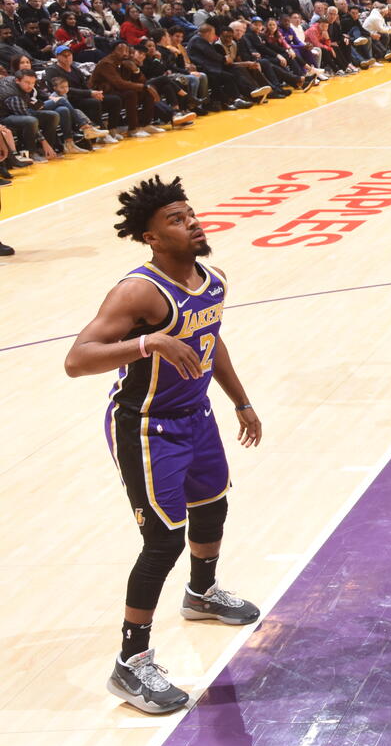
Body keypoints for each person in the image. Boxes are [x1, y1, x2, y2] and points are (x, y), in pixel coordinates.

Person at [63, 176, 263, 714]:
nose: (192, 222)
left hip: (196, 415)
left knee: (213, 505)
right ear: (151, 238)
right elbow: (77, 359)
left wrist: (240, 400)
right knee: (161, 542)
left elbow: (209, 339)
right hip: (146, 426)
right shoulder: (139, 291)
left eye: (190, 214)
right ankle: (130, 664)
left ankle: (201, 593)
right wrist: (147, 340)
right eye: (176, 220)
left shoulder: (212, 280)